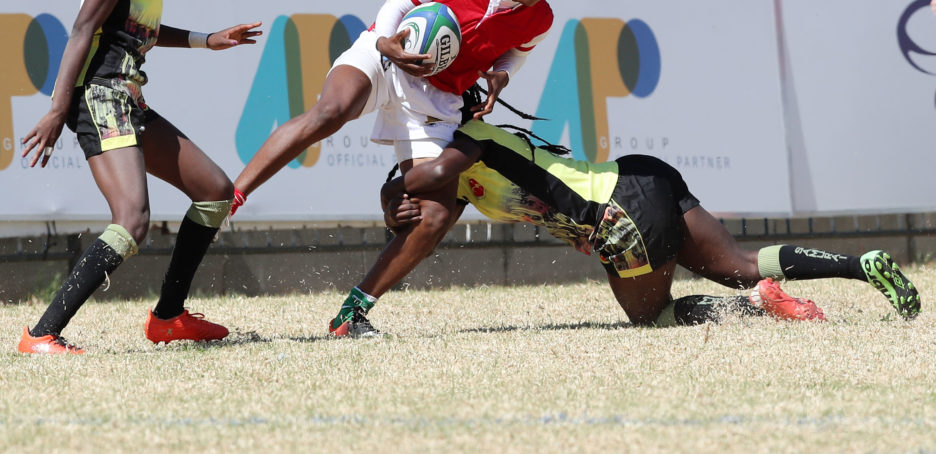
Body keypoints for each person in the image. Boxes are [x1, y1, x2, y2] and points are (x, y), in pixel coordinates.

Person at [227, 0, 564, 335]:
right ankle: (232, 195)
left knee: (436, 216)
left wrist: (500, 76)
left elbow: (515, 55)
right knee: (332, 111)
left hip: (437, 100)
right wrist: (387, 44)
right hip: (387, 58)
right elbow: (396, 4)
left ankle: (350, 315)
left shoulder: (541, 17)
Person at [330, 119, 921, 335]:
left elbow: (430, 172)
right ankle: (858, 266)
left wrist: (390, 191)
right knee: (738, 266)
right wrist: (391, 201)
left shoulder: (471, 139)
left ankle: (758, 308)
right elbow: (430, 210)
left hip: (619, 214)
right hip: (641, 176)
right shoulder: (462, 176)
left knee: (653, 317)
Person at [17, 0, 262, 354]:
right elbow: (84, 26)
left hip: (125, 98)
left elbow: (132, 26)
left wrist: (205, 39)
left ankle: (168, 319)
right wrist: (59, 108)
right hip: (101, 97)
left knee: (215, 191)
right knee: (131, 220)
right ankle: (41, 334)